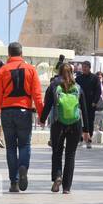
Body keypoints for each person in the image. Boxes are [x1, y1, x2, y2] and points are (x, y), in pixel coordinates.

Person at [0, 42, 42, 192]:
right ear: (22, 54)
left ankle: (14, 182)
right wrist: (42, 114)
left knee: (11, 148)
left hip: (7, 111)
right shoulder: (31, 70)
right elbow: (37, 95)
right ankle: (23, 167)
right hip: (24, 111)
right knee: (25, 145)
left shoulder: (2, 71)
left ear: (9, 54)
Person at [41, 62, 84, 193]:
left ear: (59, 72)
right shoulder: (77, 87)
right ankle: (67, 188)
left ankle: (57, 176)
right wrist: (87, 129)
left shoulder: (54, 85)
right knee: (70, 155)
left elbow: (48, 104)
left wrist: (42, 120)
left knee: (57, 152)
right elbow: (84, 108)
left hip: (58, 123)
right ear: (71, 72)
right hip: (75, 124)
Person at [75, 61, 102, 148]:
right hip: (80, 104)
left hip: (91, 104)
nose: (84, 68)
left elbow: (98, 91)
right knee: (79, 121)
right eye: (83, 67)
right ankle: (80, 138)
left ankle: (88, 139)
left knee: (90, 122)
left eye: (86, 67)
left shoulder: (95, 78)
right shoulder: (78, 79)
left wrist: (95, 102)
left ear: (89, 68)